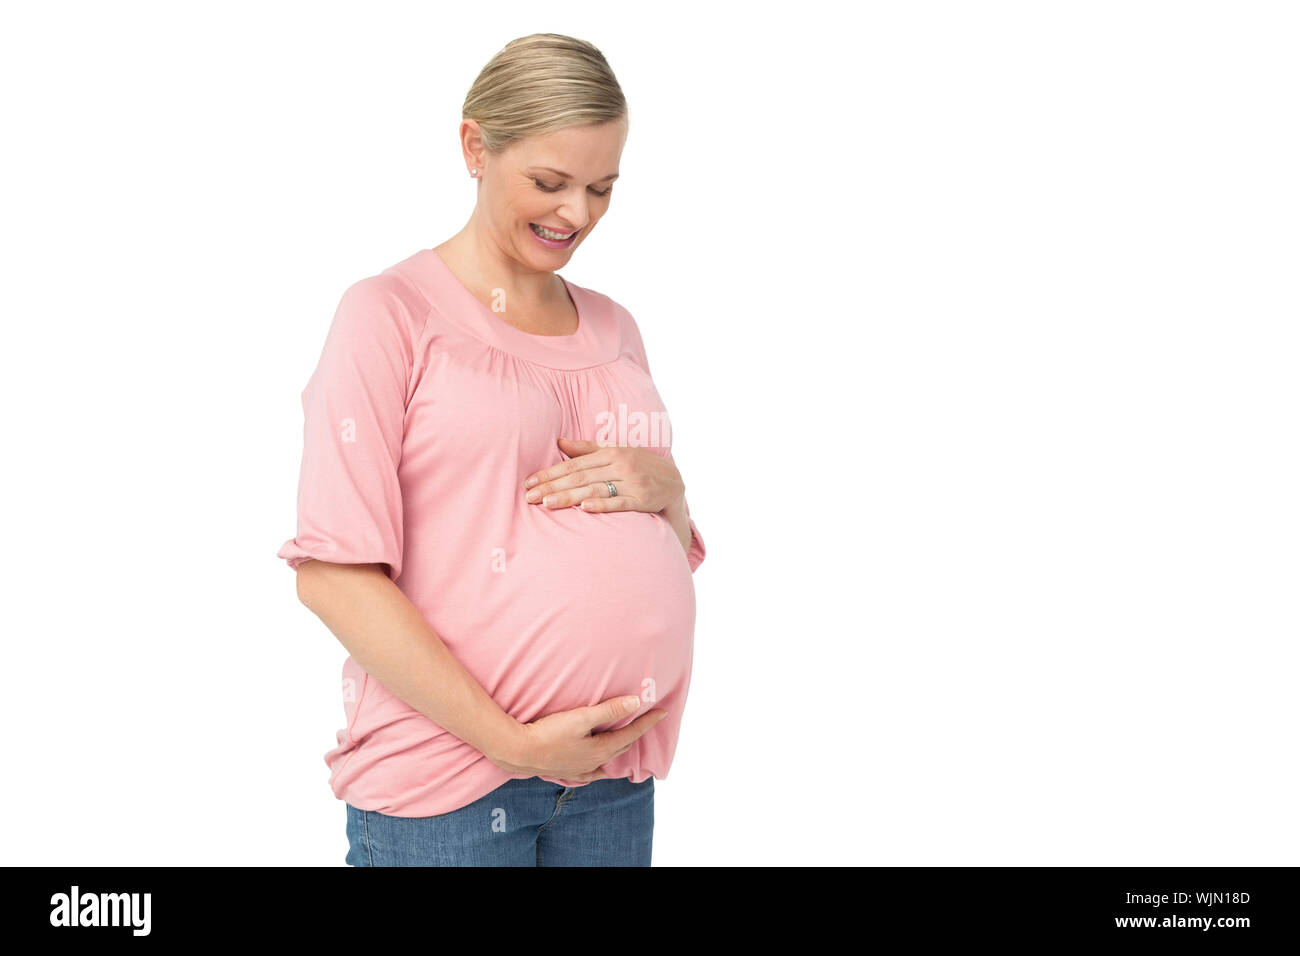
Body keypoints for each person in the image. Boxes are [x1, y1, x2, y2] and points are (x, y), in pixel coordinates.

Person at [276, 33, 705, 867]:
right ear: (475, 146)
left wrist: (669, 490)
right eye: (549, 182)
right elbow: (333, 575)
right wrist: (512, 743)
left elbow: (656, 547)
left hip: (612, 779)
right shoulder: (387, 316)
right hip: (450, 791)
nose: (576, 214)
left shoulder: (616, 327)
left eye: (601, 188)